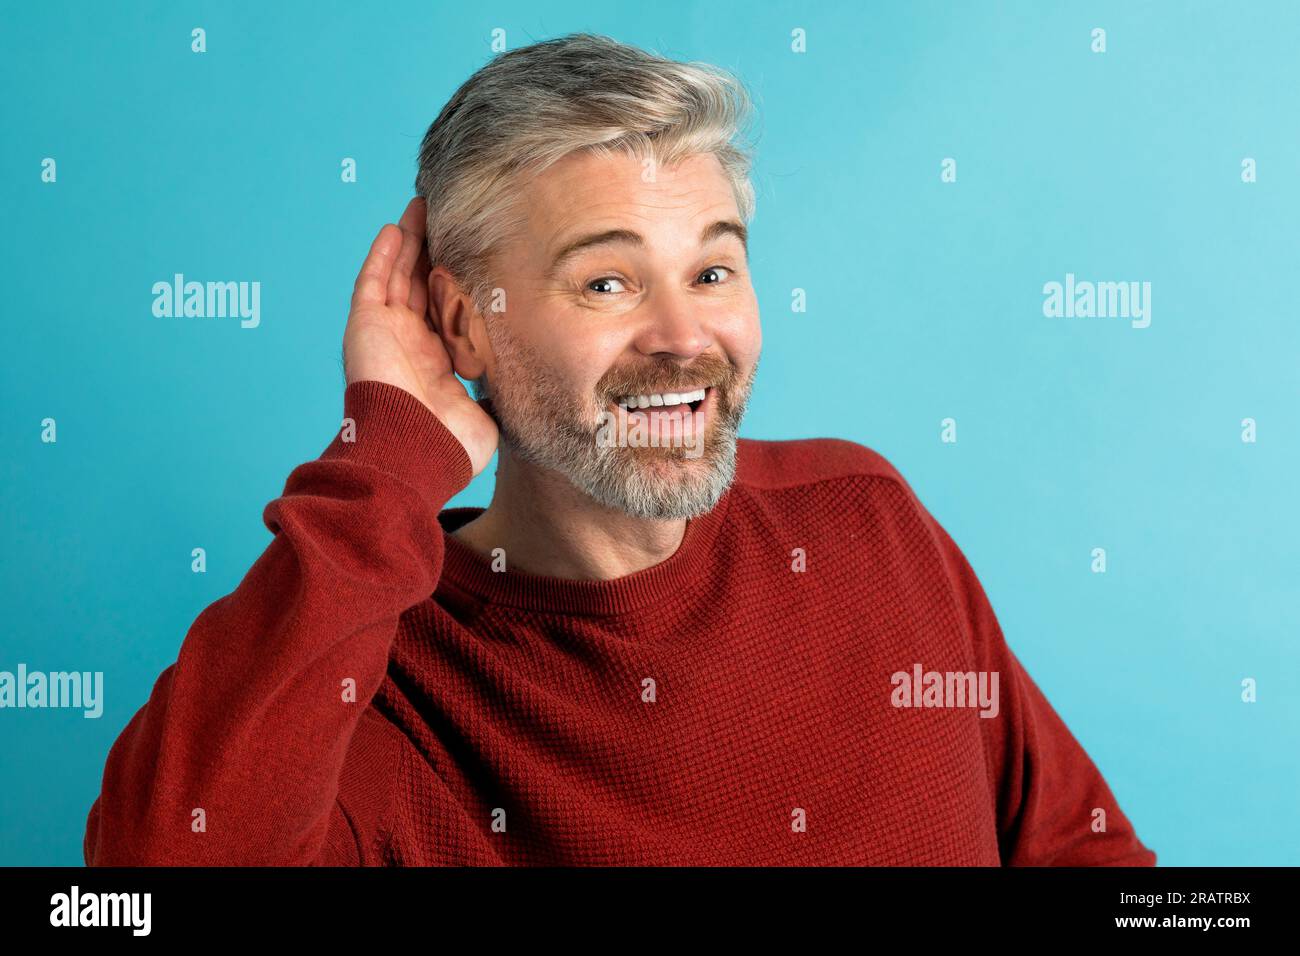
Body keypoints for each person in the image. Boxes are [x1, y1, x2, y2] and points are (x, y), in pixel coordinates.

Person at [83, 33, 1156, 866]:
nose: (685, 338)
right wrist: (385, 459)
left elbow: (1082, 847)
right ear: (464, 325)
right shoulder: (376, 676)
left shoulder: (863, 518)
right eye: (607, 280)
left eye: (713, 270)